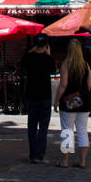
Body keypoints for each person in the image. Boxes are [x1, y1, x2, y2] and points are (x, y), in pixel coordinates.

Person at [54, 37, 91, 168]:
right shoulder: (86, 65)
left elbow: (63, 84)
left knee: (67, 130)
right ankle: (82, 161)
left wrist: (56, 100)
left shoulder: (66, 64)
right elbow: (89, 86)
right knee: (82, 131)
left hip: (69, 101)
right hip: (84, 100)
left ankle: (64, 160)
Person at [20, 34, 56, 163]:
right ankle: (41, 153)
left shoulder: (29, 58)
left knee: (32, 126)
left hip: (31, 95)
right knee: (43, 127)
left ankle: (33, 154)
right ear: (46, 45)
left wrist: (30, 51)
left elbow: (21, 65)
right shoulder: (48, 59)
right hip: (45, 96)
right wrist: (48, 54)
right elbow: (53, 69)